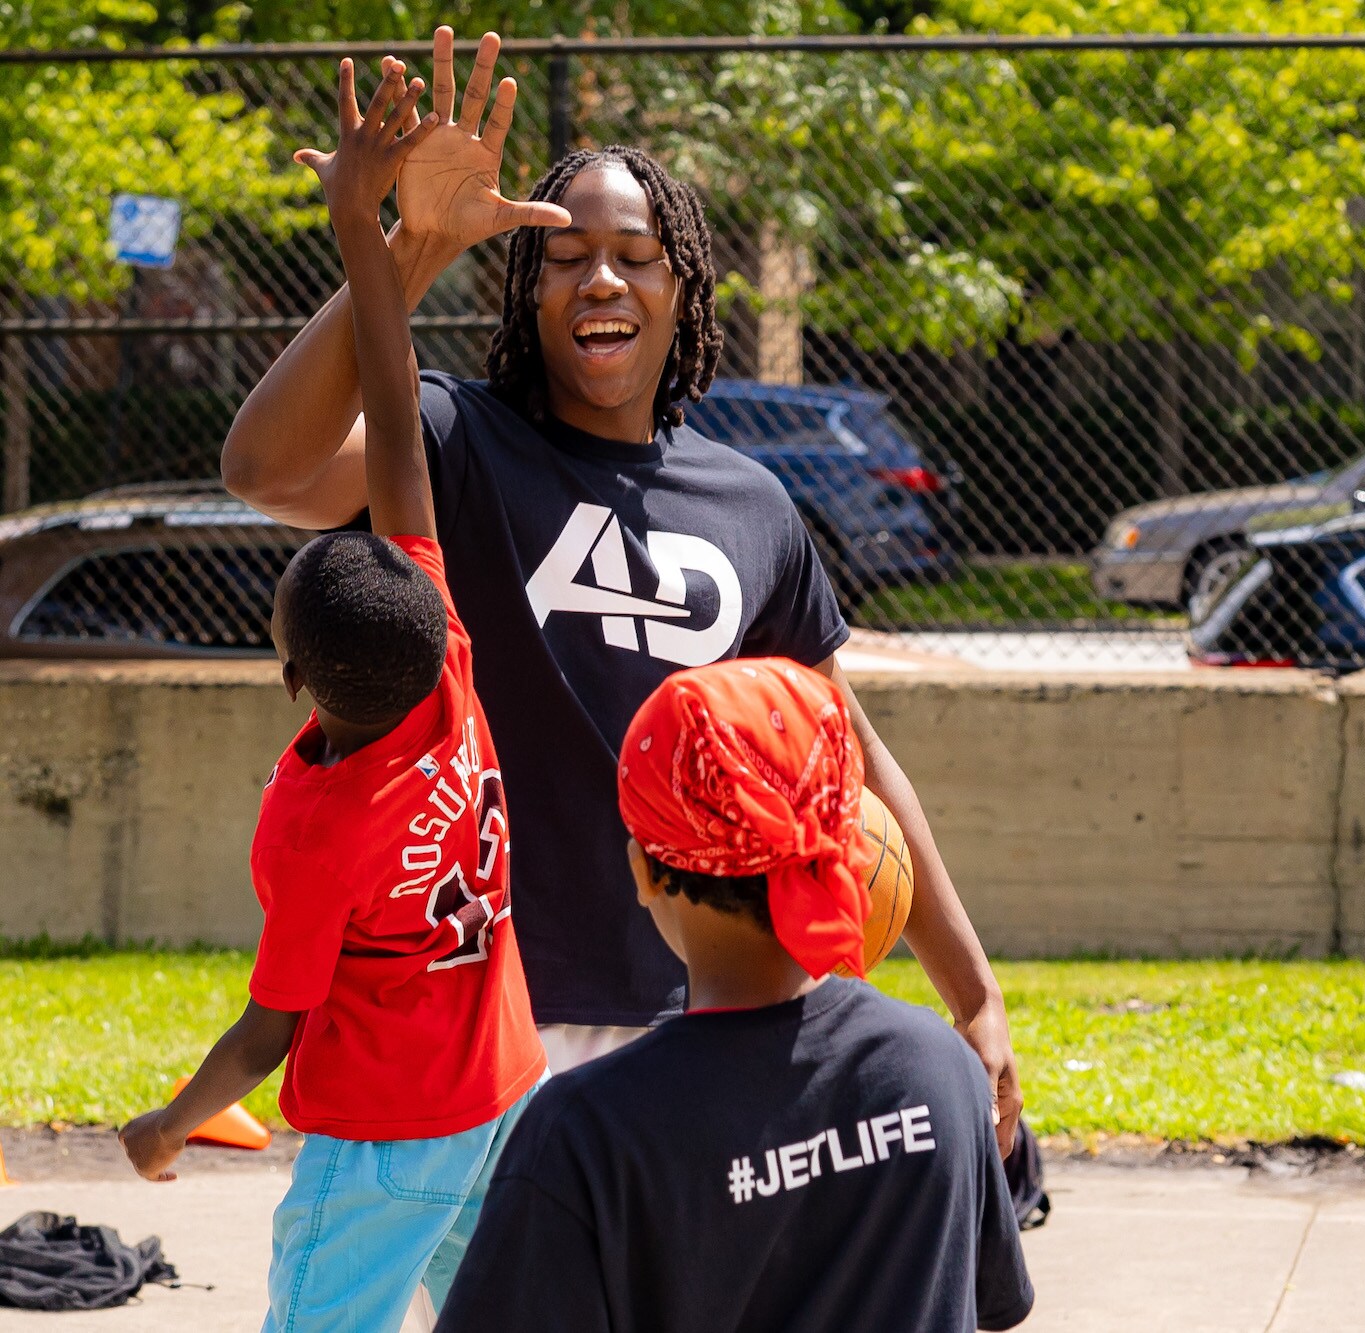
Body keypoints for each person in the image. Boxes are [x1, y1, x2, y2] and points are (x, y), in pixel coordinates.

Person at [218, 27, 1021, 1152]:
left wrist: (974, 994)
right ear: (527, 290)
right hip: (481, 1025)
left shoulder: (751, 504)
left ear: (682, 285)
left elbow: (853, 751)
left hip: (693, 1016)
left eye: (635, 253)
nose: (600, 275)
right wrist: (411, 242)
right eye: (564, 254)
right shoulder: (457, 438)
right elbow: (267, 471)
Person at [119, 57, 546, 1331]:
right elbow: (399, 436)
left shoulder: (310, 828)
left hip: (389, 1138)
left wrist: (166, 1122)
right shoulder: (448, 676)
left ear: (292, 675)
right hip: (499, 1088)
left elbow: (270, 1031)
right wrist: (369, 237)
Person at [433, 658, 1034, 1332]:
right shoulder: (940, 1071)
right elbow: (993, 1301)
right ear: (848, 841)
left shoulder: (583, 1134)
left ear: (644, 869)